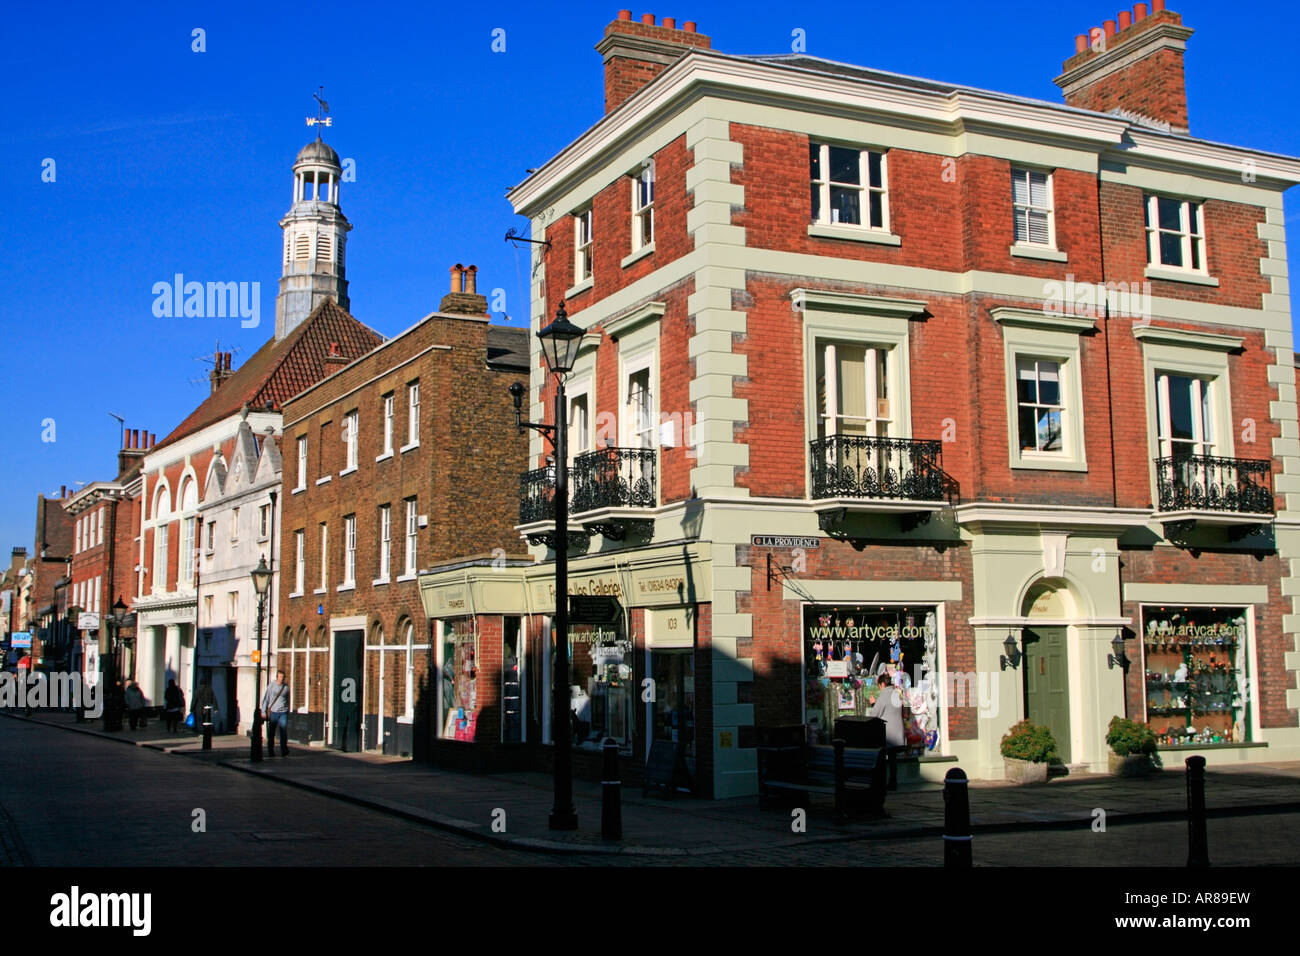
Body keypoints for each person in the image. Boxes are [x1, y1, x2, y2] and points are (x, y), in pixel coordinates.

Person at [867, 672, 906, 749]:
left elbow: (874, 715)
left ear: (882, 684)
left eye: (879, 686)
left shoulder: (884, 694)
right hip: (899, 734)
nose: (879, 689)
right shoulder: (897, 693)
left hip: (888, 736)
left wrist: (873, 704)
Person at [261, 670, 290, 756]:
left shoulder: (286, 687)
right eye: (280, 677)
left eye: (283, 677)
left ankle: (284, 750)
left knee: (283, 731)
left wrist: (287, 709)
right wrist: (263, 711)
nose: (281, 679)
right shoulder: (272, 686)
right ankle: (271, 751)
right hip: (273, 712)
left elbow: (288, 699)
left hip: (283, 712)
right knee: (272, 732)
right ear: (277, 677)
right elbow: (266, 698)